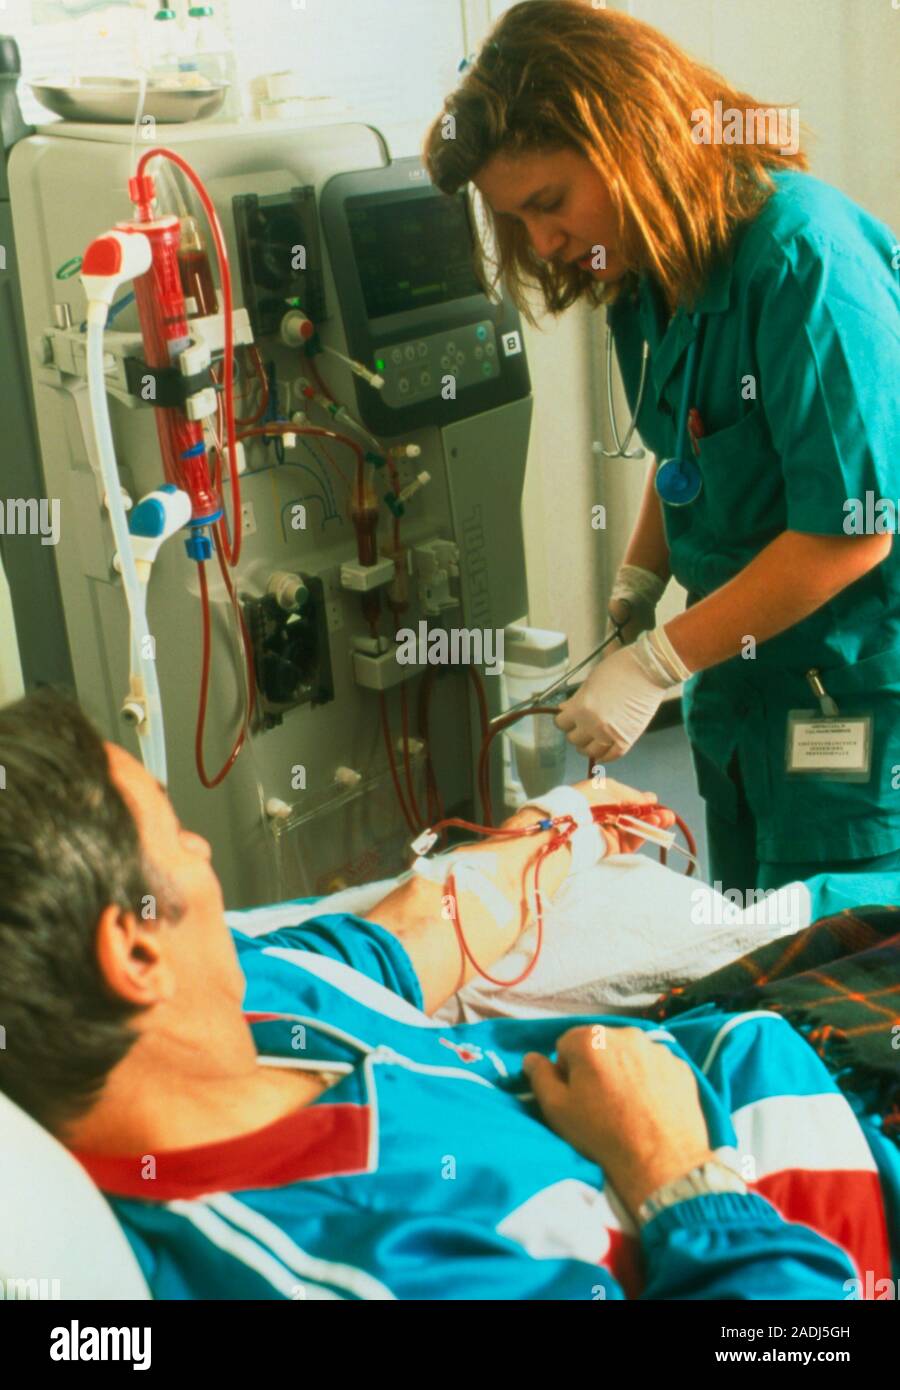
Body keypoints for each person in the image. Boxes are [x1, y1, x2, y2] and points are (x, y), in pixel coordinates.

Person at [0, 687, 892, 1300]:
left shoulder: (247, 998)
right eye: (176, 829)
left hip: (779, 1042)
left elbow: (420, 932)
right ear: (134, 952)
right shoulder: (339, 1264)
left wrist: (566, 829)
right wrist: (676, 1179)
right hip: (831, 1221)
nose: (203, 853)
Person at [423, 1, 900, 898]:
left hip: (853, 700)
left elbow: (850, 532)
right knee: (750, 947)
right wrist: (640, 580)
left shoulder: (803, 262)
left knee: (840, 984)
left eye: (549, 203)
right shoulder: (652, 271)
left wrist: (657, 663)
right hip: (742, 694)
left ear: (630, 138)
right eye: (517, 220)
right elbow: (692, 442)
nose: (543, 241)